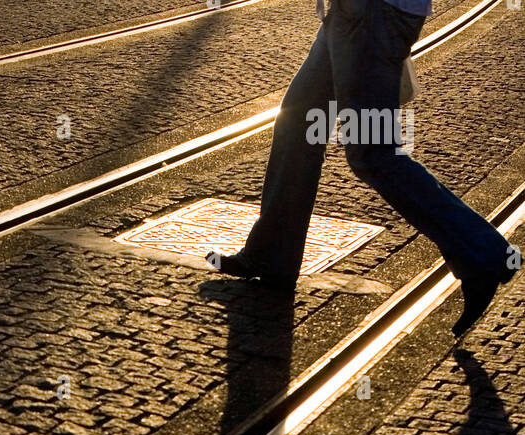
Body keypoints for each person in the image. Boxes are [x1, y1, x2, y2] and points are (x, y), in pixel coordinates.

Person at [218, 0, 516, 335]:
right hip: (355, 13)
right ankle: (271, 255)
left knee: (373, 152)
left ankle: (485, 253)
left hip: (372, 17)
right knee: (298, 122)